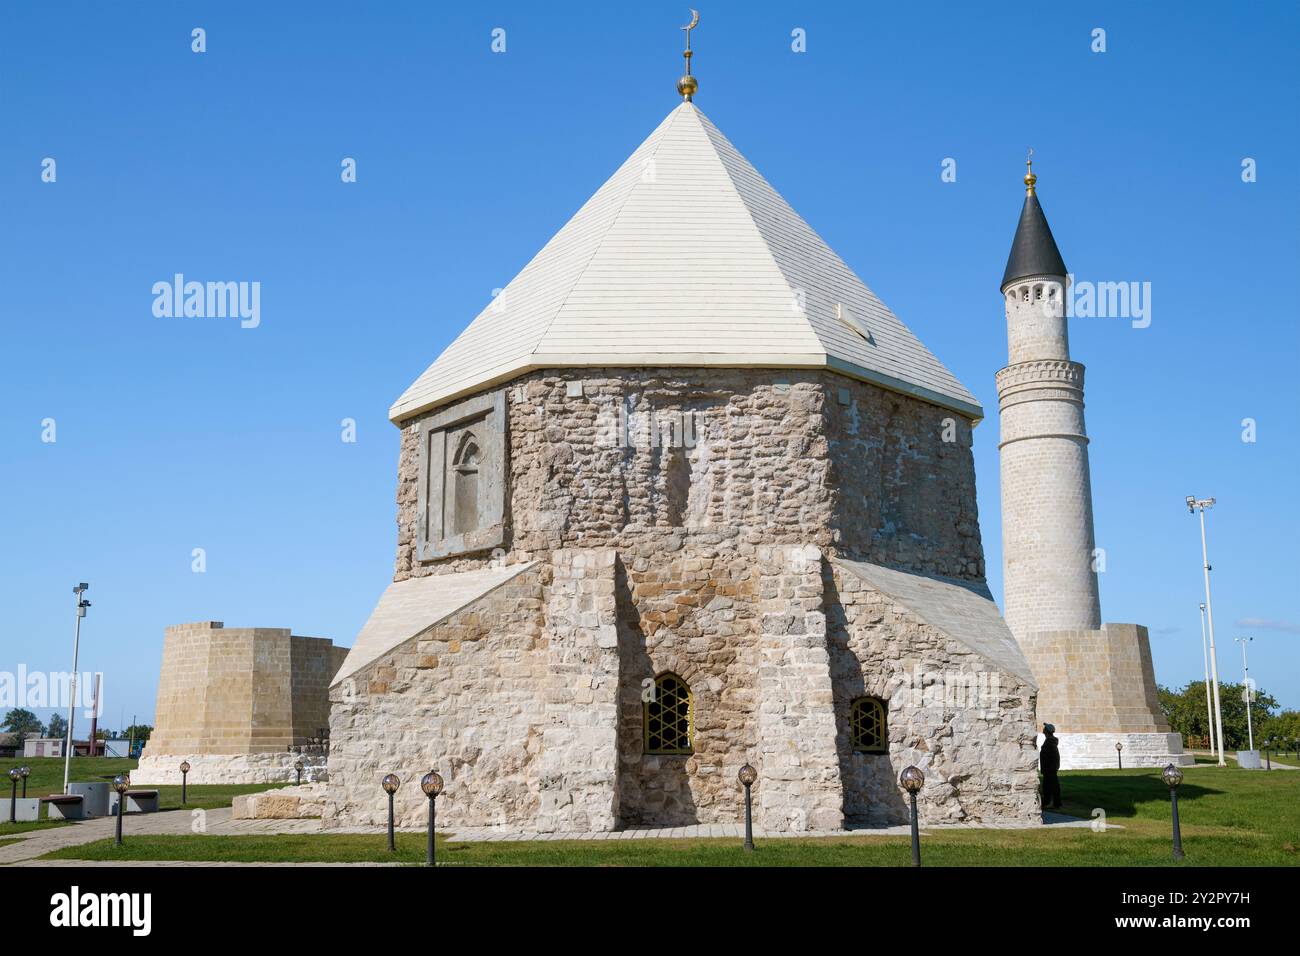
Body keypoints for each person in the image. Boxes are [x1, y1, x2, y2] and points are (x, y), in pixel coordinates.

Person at [1039, 723, 1062, 809]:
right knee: (1049, 785)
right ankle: (1050, 802)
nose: (1043, 730)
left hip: (1050, 768)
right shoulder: (1049, 741)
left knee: (1051, 786)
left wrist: (1051, 767)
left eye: (1045, 728)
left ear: (1047, 731)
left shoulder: (1050, 741)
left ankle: (1053, 802)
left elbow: (1052, 756)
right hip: (1049, 768)